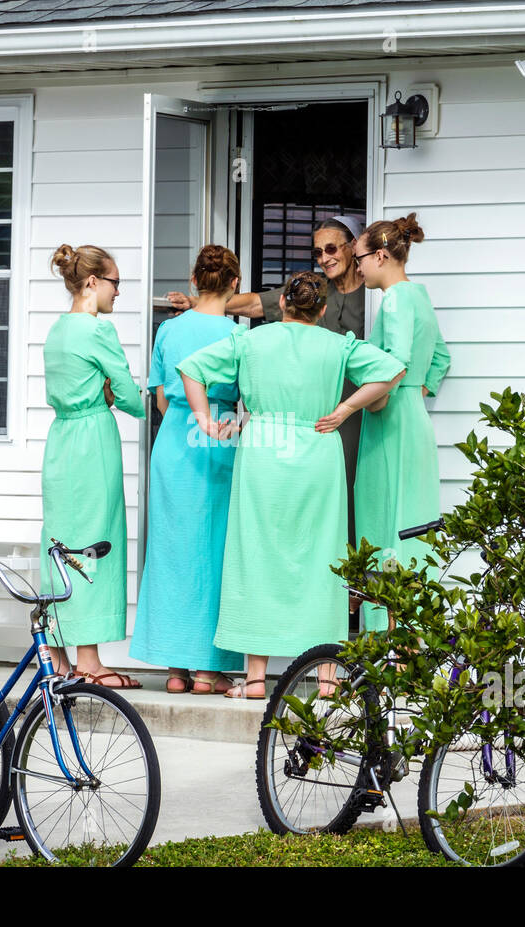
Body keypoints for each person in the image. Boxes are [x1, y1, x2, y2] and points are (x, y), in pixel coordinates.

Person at [177, 272, 405, 699]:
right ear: (321, 310)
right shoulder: (338, 344)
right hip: (318, 448)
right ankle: (327, 680)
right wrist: (345, 409)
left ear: (281, 303)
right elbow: (391, 371)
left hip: (264, 449)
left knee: (256, 554)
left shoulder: (249, 341)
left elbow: (192, 369)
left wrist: (207, 421)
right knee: (322, 556)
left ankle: (258, 678)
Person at [167, 216, 368, 546]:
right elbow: (256, 303)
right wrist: (201, 303)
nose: (324, 258)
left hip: (356, 412)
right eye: (317, 252)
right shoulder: (312, 292)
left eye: (331, 248)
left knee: (355, 489)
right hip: (311, 414)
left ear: (352, 247)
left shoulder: (373, 293)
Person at [130, 245, 245, 695]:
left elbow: (159, 400)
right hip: (217, 435)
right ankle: (207, 670)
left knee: (173, 551)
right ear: (234, 284)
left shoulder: (168, 330)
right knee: (213, 552)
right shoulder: (239, 337)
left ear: (195, 282)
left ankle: (176, 668)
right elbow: (247, 401)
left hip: (174, 440)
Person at [40, 243, 146, 688]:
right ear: (92, 283)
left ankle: (59, 655)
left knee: (61, 540)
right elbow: (129, 396)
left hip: (60, 442)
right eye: (115, 282)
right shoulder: (97, 332)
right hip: (92, 441)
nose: (118, 292)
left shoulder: (57, 331)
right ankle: (90, 661)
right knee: (95, 543)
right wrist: (117, 395)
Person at [351, 213, 451, 634]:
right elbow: (441, 359)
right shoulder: (420, 296)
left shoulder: (393, 300)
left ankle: (384, 639)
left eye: (359, 258)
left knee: (382, 519)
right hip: (414, 420)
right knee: (411, 521)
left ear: (381, 255)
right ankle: (413, 634)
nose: (357, 267)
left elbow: (394, 361)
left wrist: (381, 400)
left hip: (390, 421)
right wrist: (416, 392)